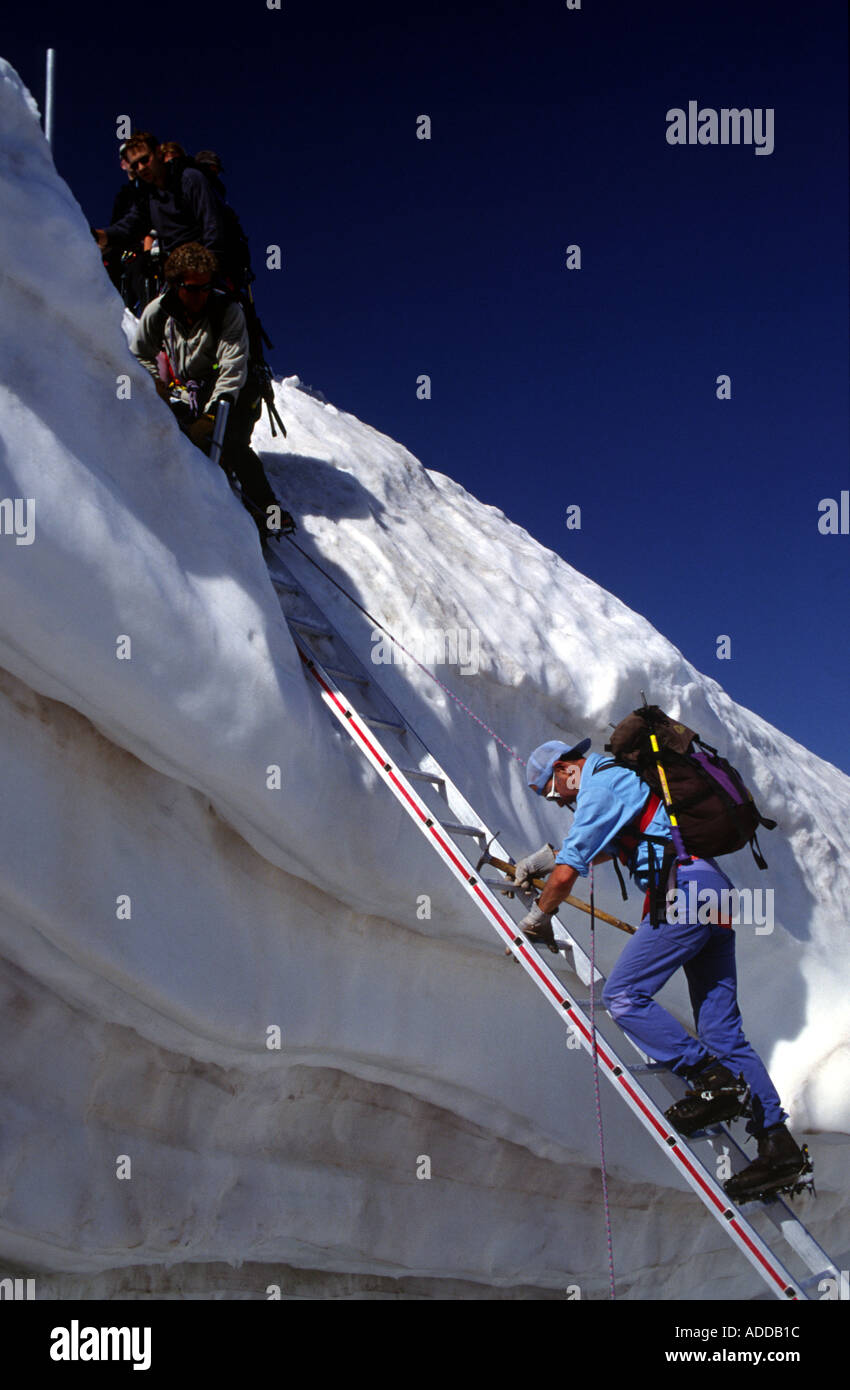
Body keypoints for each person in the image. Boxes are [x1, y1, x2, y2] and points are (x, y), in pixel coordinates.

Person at [516, 737, 807, 1202]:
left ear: (566, 768)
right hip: (711, 893)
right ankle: (779, 1146)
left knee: (624, 996)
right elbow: (614, 844)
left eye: (552, 791)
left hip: (684, 894)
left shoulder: (599, 783)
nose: (560, 800)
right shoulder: (621, 784)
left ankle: (713, 1081)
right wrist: (544, 860)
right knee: (723, 1031)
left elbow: (572, 867)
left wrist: (537, 917)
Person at [130, 242, 293, 540]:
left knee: (232, 442)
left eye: (206, 287)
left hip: (240, 389)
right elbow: (140, 353)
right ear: (175, 283)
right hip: (193, 389)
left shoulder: (227, 311)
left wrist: (215, 412)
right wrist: (155, 384)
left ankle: (268, 512)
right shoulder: (158, 312)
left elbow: (233, 366)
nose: (201, 295)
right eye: (193, 288)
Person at [94, 132, 231, 278]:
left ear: (159, 152)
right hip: (175, 274)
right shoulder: (148, 198)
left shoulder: (190, 179)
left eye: (145, 160)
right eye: (135, 165)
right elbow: (129, 227)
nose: (141, 168)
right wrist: (98, 236)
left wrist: (208, 272)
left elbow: (213, 226)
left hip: (206, 270)